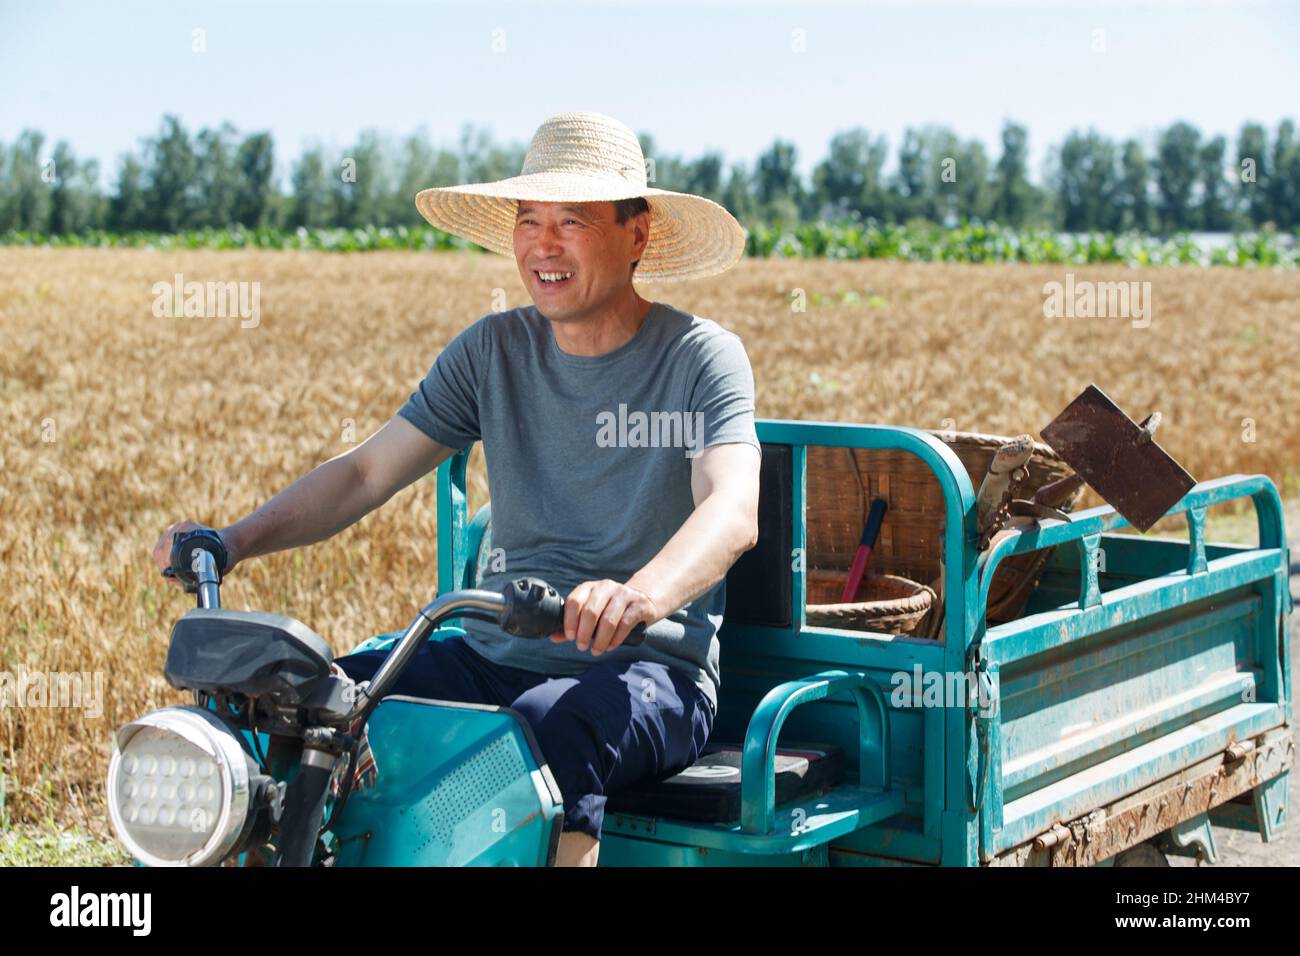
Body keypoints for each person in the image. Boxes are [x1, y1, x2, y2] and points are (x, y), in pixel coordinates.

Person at [151, 110, 761, 866]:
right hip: (493, 647)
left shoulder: (701, 356)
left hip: (644, 670)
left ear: (637, 236)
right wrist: (233, 539)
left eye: (572, 222)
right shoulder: (491, 350)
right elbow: (365, 472)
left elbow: (732, 509)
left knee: (548, 733)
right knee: (318, 706)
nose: (543, 244)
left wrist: (639, 594)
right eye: (528, 221)